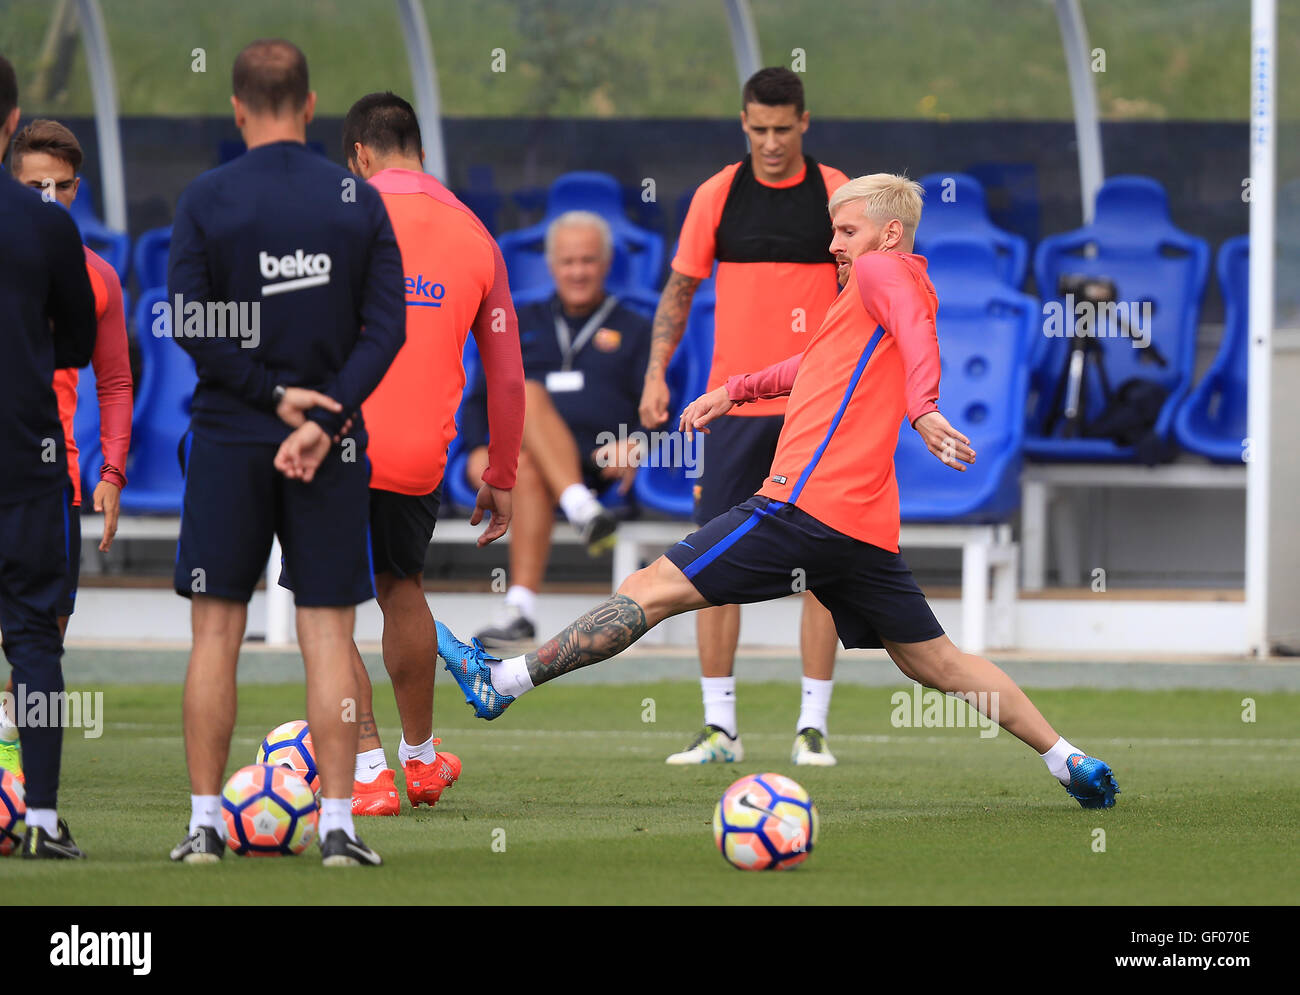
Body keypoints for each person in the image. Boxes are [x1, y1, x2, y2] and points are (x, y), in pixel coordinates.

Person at [435, 174, 1122, 812]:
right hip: (862, 531)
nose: (832, 245)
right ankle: (1069, 759)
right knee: (939, 663)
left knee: (652, 586)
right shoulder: (865, 296)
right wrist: (731, 391)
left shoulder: (888, 273)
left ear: (887, 234)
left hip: (801, 508)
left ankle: (504, 682)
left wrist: (925, 408)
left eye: (845, 232)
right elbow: (812, 362)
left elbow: (917, 334)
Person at [166, 40, 406, 866]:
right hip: (331, 447)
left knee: (214, 635)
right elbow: (389, 330)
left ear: (237, 108)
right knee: (330, 637)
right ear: (309, 108)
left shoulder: (205, 198)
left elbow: (192, 325)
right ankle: (338, 827)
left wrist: (270, 399)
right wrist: (326, 417)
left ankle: (203, 824)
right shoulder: (356, 200)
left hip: (231, 437)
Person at [639, 67, 850, 767]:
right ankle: (718, 727)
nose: (769, 143)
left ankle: (811, 726)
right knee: (711, 561)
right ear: (743, 123)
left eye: (782, 130)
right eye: (757, 129)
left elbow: (865, 298)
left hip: (818, 409)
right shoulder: (717, 194)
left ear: (804, 122)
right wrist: (655, 375)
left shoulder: (835, 194)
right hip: (733, 406)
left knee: (824, 565)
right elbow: (680, 289)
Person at [335, 91, 525, 816]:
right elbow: (507, 375)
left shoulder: (340, 212)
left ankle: (369, 770)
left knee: (327, 612)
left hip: (337, 439)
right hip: (418, 456)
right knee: (401, 588)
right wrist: (501, 473)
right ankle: (420, 763)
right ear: (419, 150)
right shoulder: (475, 233)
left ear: (359, 153)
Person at [0, 120, 135, 785]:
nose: (47, 196)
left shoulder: (99, 276)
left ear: (76, 189)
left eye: (59, 185)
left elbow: (111, 377)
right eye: (34, 185)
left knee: (44, 630)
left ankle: (15, 748)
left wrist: (111, 469)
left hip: (53, 472)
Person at [465, 210, 653, 650]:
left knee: (525, 401)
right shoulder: (519, 319)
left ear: (606, 265)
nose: (578, 271)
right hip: (519, 463)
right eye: (568, 262)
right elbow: (479, 395)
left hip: (598, 461)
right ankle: (524, 605)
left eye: (588, 261)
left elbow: (656, 401)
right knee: (523, 407)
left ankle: (575, 503)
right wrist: (476, 448)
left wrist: (639, 440)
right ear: (552, 266)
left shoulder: (636, 327)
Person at [0, 51, 100, 857]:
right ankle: (40, 821)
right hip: (26, 457)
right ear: (9, 125)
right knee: (35, 638)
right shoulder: (47, 224)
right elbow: (79, 339)